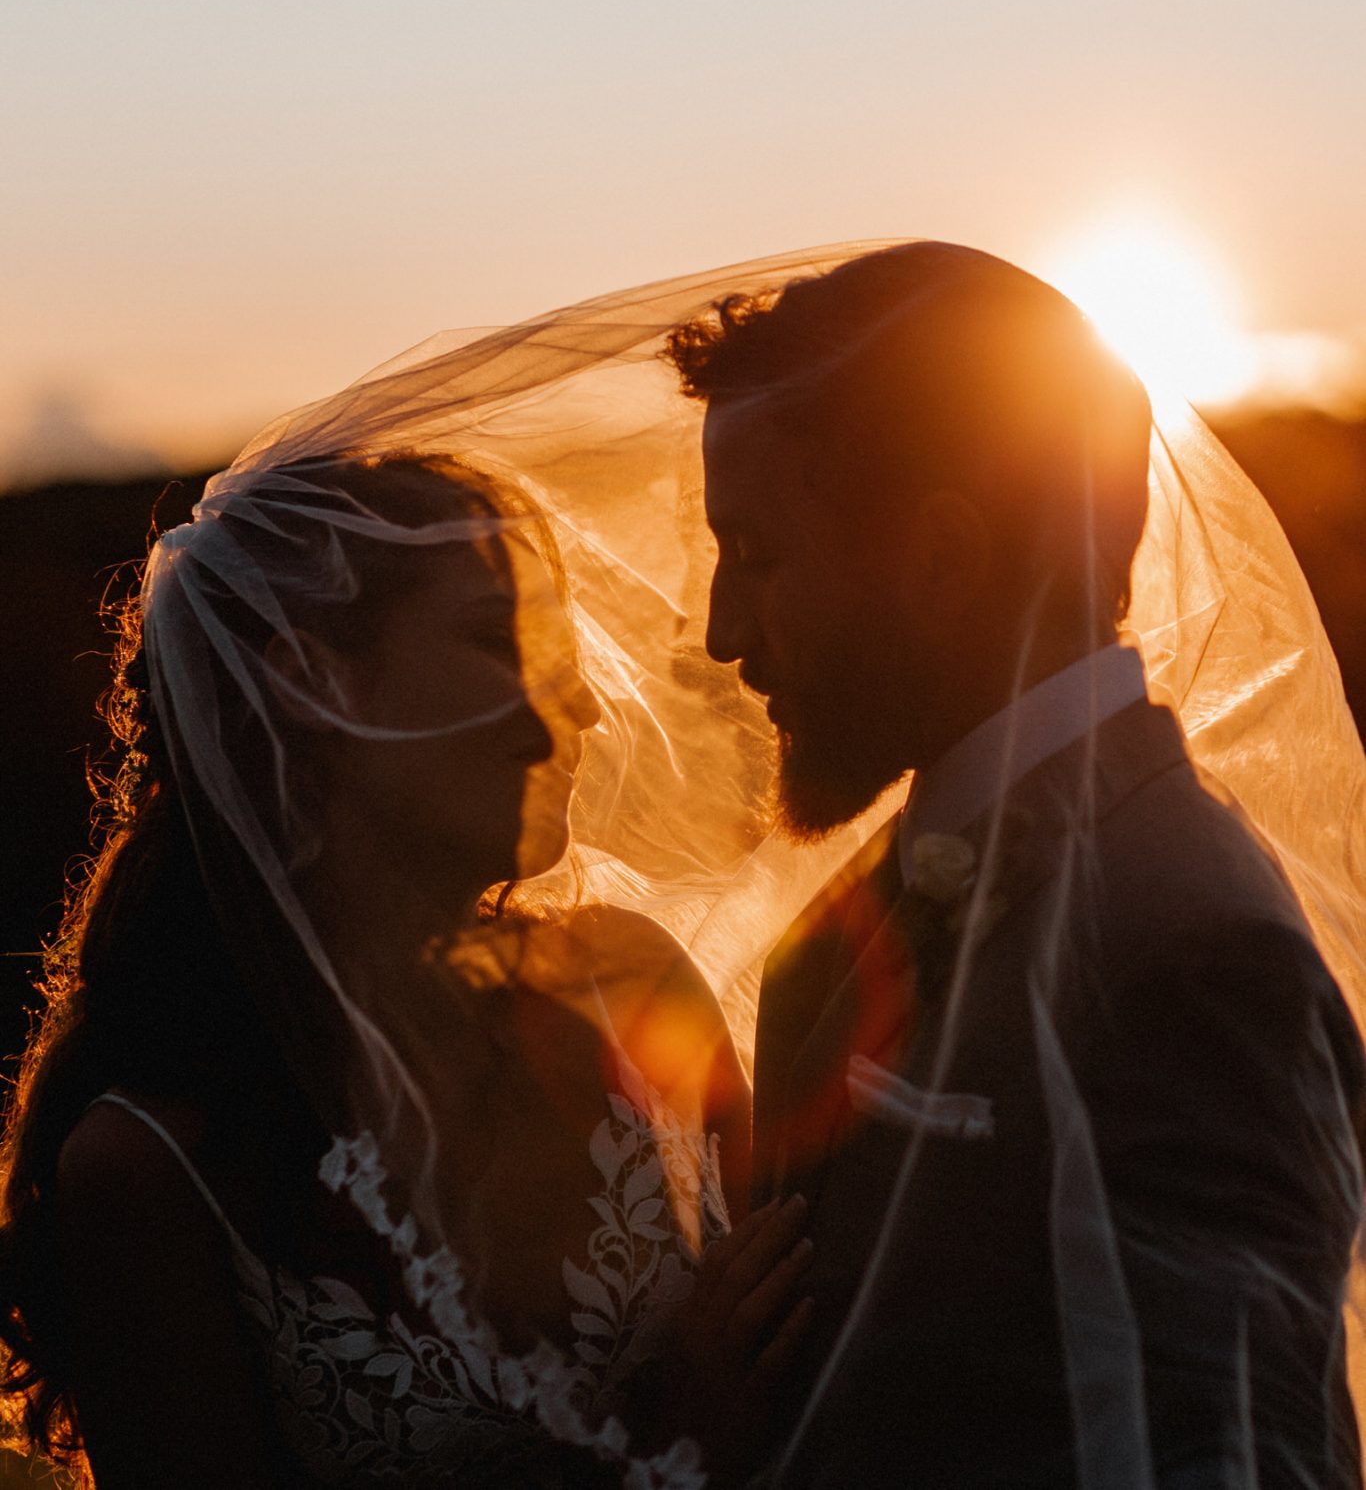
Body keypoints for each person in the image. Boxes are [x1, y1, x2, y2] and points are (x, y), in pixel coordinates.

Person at [661, 242, 1366, 1488]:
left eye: (757, 555)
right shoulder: (887, 887)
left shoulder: (1190, 946)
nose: (720, 631)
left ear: (940, 559)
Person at [0, 450, 794, 1488]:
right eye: (494, 635)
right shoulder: (154, 1165)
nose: (582, 706)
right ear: (312, 681)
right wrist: (671, 1450)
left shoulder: (634, 987)